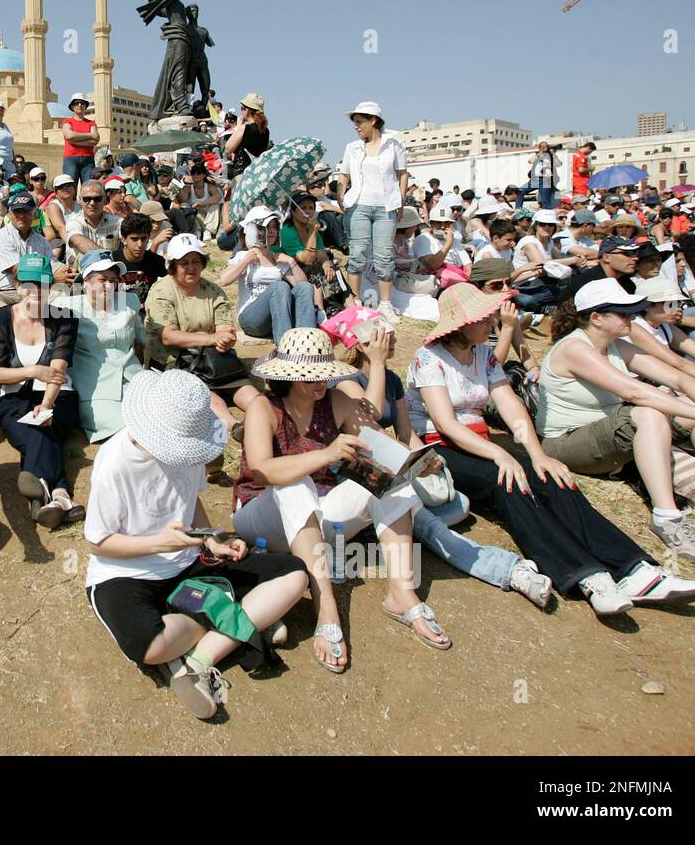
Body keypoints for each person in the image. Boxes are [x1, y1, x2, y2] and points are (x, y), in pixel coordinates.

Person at [408, 283, 695, 616]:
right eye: (483, 316)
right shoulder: (430, 357)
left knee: (553, 477)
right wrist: (500, 453)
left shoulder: (483, 355)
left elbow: (511, 407)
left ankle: (634, 568)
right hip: (437, 445)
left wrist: (538, 454)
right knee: (508, 482)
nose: (492, 320)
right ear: (460, 324)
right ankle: (584, 573)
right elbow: (445, 423)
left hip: (477, 440)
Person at [84, 368, 309, 721]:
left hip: (190, 562)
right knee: (149, 645)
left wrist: (213, 539)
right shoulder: (114, 463)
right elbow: (98, 543)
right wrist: (160, 543)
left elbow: (192, 501)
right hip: (125, 573)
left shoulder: (191, 447)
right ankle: (235, 616)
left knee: (294, 575)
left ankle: (202, 655)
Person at [233, 328, 454, 658]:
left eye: (323, 374)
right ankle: (325, 606)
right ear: (289, 377)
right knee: (295, 485)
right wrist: (325, 454)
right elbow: (262, 471)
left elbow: (376, 439)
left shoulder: (334, 401)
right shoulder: (263, 408)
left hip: (316, 514)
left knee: (392, 481)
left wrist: (414, 459)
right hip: (261, 515)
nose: (320, 383)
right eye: (310, 377)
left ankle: (402, 594)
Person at [333, 321, 555, 608]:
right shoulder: (346, 381)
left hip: (386, 468)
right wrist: (375, 364)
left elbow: (405, 432)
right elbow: (370, 421)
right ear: (365, 345)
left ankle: (373, 528)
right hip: (359, 475)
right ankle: (507, 569)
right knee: (430, 524)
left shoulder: (392, 380)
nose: (394, 341)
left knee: (459, 504)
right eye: (386, 338)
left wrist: (423, 457)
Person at [537, 279, 695, 566]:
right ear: (596, 318)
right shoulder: (575, 348)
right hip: (567, 442)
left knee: (692, 403)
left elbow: (678, 377)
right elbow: (634, 391)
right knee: (649, 410)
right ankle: (666, 517)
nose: (632, 317)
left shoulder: (615, 345)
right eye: (624, 313)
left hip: (613, 430)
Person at [0, 254, 83, 527]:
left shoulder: (64, 319)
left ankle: (39, 492)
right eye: (29, 284)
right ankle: (61, 495)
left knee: (40, 426)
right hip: (14, 396)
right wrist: (33, 371)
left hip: (58, 395)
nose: (36, 292)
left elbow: (58, 370)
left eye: (43, 285)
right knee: (38, 430)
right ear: (17, 285)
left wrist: (48, 404)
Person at [145, 234, 259, 435]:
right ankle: (233, 426)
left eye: (196, 261)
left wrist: (225, 339)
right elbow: (168, 336)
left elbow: (224, 328)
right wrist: (210, 338)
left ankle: (267, 416)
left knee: (242, 386)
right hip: (174, 361)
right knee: (203, 391)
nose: (191, 267)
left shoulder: (213, 290)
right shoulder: (161, 291)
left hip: (212, 357)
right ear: (172, 266)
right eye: (184, 263)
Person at [55, 250, 144, 442]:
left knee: (154, 422)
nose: (108, 286)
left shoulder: (130, 302)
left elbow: (143, 339)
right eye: (102, 279)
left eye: (113, 280)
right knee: (126, 432)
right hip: (95, 388)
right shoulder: (66, 307)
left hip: (134, 380)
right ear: (85, 282)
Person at [337, 102, 407, 323]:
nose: (356, 127)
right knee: (357, 252)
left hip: (386, 205)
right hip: (358, 205)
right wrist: (341, 196)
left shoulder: (394, 144)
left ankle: (385, 303)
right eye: (355, 123)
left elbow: (402, 173)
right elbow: (343, 175)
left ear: (373, 120)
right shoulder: (352, 148)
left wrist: (401, 201)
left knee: (384, 255)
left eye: (359, 122)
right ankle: (354, 301)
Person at [218, 206, 315, 347]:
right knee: (280, 287)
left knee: (305, 287)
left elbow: (302, 286)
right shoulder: (243, 256)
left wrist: (292, 262)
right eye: (266, 227)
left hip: (279, 316)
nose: (271, 231)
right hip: (252, 319)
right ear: (254, 229)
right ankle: (284, 347)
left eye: (274, 227)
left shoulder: (279, 258)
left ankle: (307, 345)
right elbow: (224, 280)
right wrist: (245, 261)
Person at [0, 191, 68, 313]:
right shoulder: (1, 237)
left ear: (34, 214)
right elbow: (18, 270)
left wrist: (67, 272)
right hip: (8, 293)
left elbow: (52, 264)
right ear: (10, 214)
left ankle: (20, 315)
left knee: (63, 287)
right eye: (17, 211)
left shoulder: (41, 241)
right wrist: (52, 279)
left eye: (26, 211)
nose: (21, 215)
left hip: (37, 291)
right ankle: (19, 317)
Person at [113, 212, 167, 306]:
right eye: (134, 239)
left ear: (148, 238)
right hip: (118, 313)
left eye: (143, 239)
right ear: (124, 240)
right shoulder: (111, 261)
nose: (140, 245)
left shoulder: (155, 261)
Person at [64, 179, 122, 266]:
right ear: (80, 200)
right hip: (80, 273)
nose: (92, 203)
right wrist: (107, 261)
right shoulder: (73, 221)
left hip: (109, 273)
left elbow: (132, 239)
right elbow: (78, 240)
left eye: (97, 199)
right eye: (87, 199)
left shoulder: (117, 221)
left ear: (105, 199)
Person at [223, 92, 271, 182]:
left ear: (248, 110)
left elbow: (228, 149)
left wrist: (238, 127)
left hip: (242, 173)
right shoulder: (265, 130)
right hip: (257, 173)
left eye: (242, 108)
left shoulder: (244, 128)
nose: (241, 111)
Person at [62, 93, 100, 183]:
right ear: (72, 106)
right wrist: (89, 135)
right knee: (70, 187)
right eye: (77, 103)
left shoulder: (91, 123)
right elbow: (69, 135)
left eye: (82, 103)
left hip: (88, 159)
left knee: (89, 187)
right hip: (71, 159)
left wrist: (74, 141)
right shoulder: (67, 121)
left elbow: (95, 140)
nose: (79, 105)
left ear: (85, 106)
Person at [527, 141, 559, 210]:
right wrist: (541, 152)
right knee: (521, 192)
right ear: (540, 147)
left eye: (547, 146)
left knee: (547, 199)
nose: (546, 148)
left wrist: (553, 154)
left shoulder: (550, 155)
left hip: (546, 179)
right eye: (544, 146)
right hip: (536, 179)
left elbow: (558, 164)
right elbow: (530, 161)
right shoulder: (537, 155)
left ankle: (548, 211)